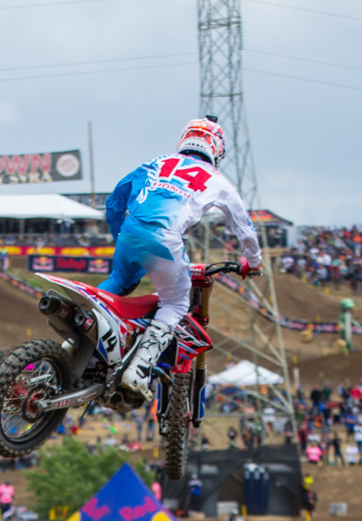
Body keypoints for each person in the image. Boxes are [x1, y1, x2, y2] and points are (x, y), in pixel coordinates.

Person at [101, 117, 261, 399]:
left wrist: (120, 236)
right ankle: (138, 369)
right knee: (175, 302)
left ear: (184, 139)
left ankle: (89, 340)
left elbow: (115, 200)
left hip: (131, 231)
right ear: (217, 150)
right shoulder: (217, 179)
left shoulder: (157, 162)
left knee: (119, 281)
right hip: (165, 240)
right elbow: (244, 225)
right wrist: (254, 261)